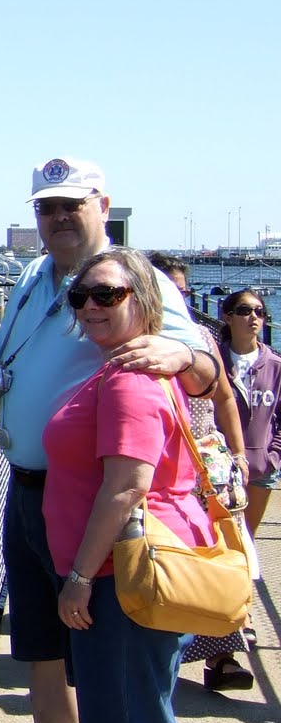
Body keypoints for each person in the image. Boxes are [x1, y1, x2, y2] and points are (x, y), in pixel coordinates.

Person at [0, 158, 216, 723]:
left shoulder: (132, 280)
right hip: (25, 493)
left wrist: (184, 353)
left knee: (119, 690)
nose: (57, 218)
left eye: (71, 205)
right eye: (46, 208)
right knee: (41, 651)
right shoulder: (32, 279)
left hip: (90, 507)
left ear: (103, 204)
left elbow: (206, 368)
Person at [43, 247, 213, 723]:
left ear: (143, 300)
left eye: (107, 295)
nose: (90, 306)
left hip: (121, 580)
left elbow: (126, 487)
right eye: (80, 297)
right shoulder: (121, 368)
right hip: (122, 577)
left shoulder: (129, 381)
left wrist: (80, 578)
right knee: (128, 720)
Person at [147, 253, 253, 690]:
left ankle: (223, 656)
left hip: (203, 465)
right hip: (156, 466)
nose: (180, 296)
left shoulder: (203, 338)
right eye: (169, 287)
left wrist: (239, 453)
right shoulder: (129, 339)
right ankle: (165, 649)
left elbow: (225, 399)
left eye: (183, 288)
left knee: (216, 554)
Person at [219, 288, 281, 540]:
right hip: (218, 470)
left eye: (259, 312)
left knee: (246, 538)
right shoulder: (214, 361)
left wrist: (273, 456)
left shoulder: (275, 366)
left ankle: (246, 580)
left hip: (260, 469)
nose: (253, 317)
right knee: (220, 538)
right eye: (244, 311)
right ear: (228, 317)